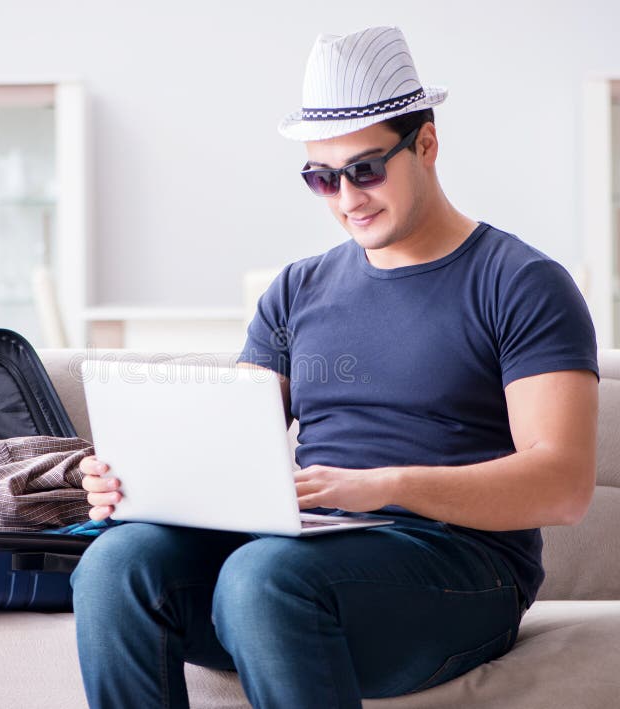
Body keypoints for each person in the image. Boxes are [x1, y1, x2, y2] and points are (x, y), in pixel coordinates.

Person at [70, 26, 599, 708]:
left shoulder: (520, 282)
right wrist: (133, 481)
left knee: (263, 577)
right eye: (322, 178)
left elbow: (562, 484)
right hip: (307, 554)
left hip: (459, 568)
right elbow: (231, 447)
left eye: (366, 169)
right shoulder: (297, 289)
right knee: (116, 561)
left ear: (428, 145)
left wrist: (380, 485)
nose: (346, 197)